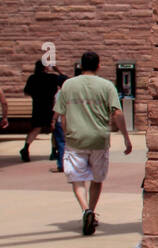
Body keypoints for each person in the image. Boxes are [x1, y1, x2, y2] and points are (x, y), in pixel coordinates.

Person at [54, 51, 132, 236]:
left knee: (77, 178)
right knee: (97, 179)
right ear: (98, 66)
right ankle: (92, 209)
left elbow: (62, 116)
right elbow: (117, 113)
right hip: (99, 138)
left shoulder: (68, 85)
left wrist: (66, 135)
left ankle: (85, 209)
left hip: (75, 138)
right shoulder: (107, 86)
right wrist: (126, 138)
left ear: (80, 66)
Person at [20, 59, 65, 163]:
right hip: (50, 106)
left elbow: (27, 92)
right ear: (45, 67)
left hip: (37, 106)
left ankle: (26, 148)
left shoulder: (32, 78)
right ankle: (54, 151)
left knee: (36, 128)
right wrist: (58, 70)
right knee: (55, 129)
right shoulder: (52, 77)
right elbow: (66, 80)